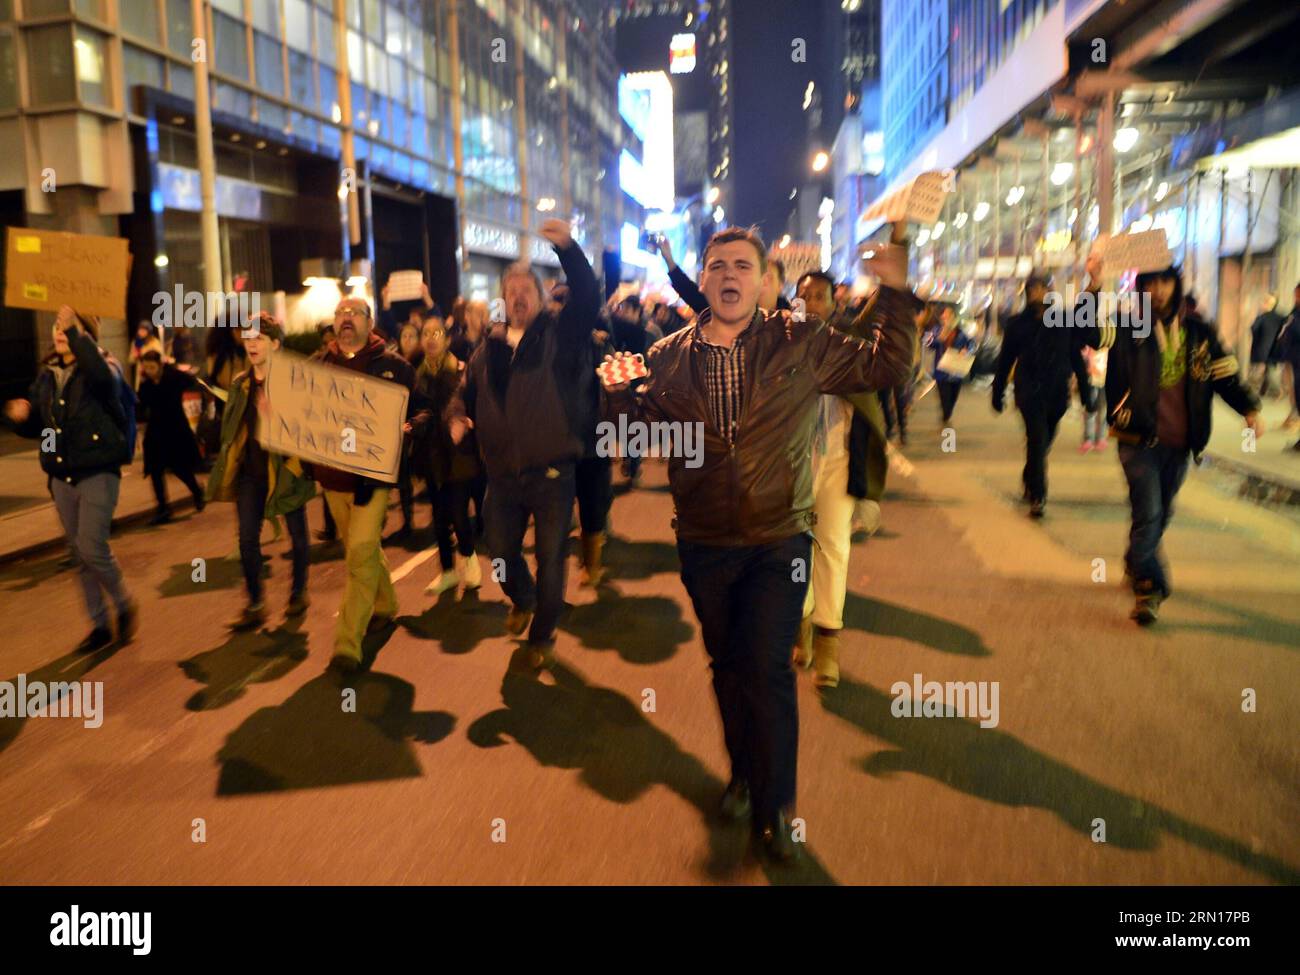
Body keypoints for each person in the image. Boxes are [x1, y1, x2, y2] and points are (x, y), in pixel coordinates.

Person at [600, 224, 917, 862]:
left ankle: (773, 807)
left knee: (769, 670)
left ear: (761, 277)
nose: (729, 275)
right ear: (705, 275)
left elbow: (886, 363)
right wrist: (618, 399)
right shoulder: (666, 357)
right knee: (728, 667)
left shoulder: (800, 340)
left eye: (742, 265)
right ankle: (743, 772)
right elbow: (631, 443)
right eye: (717, 264)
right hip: (704, 541)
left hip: (779, 538)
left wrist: (897, 292)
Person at [448, 218, 601, 670]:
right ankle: (523, 597)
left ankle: (542, 635)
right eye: (510, 291)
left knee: (552, 558)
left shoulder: (562, 334)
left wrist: (568, 249)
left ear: (538, 298)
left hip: (553, 474)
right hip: (502, 478)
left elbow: (588, 297)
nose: (517, 298)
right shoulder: (487, 348)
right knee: (499, 552)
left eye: (525, 291)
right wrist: (456, 415)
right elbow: (462, 393)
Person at [1081, 265, 1261, 623]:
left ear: (1176, 285)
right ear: (1141, 289)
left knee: (1160, 515)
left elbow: (1224, 376)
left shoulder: (1200, 331)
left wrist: (1249, 408)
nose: (1158, 290)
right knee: (1148, 513)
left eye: (1165, 282)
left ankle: (1137, 562)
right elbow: (1088, 330)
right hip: (1137, 438)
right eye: (1150, 284)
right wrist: (1094, 285)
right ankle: (1150, 588)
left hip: (1181, 442)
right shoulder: (1127, 326)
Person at [4, 306, 138, 653]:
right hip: (61, 476)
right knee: (80, 555)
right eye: (57, 326)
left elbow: (104, 383)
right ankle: (99, 625)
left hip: (98, 471)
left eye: (69, 327)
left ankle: (123, 602)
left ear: (86, 334)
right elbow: (42, 428)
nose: (60, 331)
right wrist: (23, 417)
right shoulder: (47, 375)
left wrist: (79, 339)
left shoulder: (105, 365)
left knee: (92, 547)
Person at [789, 270, 894, 688]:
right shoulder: (781, 342)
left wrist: (899, 243)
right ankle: (803, 624)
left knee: (833, 548)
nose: (812, 303)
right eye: (804, 296)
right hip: (792, 465)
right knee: (795, 552)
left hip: (837, 459)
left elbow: (883, 306)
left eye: (820, 296)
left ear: (835, 302)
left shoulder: (850, 339)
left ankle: (829, 645)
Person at [313, 297, 416, 672]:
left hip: (372, 479)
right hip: (333, 478)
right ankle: (386, 604)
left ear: (369, 322)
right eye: (340, 312)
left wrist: (408, 430)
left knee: (358, 552)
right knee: (362, 548)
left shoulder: (394, 368)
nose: (346, 319)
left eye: (354, 313)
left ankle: (347, 643)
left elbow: (419, 411)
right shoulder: (318, 367)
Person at [205, 314, 315, 628]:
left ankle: (298, 592)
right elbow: (230, 432)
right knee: (247, 541)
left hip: (286, 471)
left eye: (259, 339)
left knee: (297, 536)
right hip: (250, 474)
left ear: (276, 344)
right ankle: (255, 603)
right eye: (248, 339)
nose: (251, 345)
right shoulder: (240, 384)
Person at [992, 272, 1090, 518]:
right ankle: (1039, 496)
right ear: (1027, 293)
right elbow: (1005, 360)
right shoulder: (1016, 324)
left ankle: (1029, 475)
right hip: (1028, 391)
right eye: (1032, 289)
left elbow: (1076, 356)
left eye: (1041, 288)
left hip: (1057, 394)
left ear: (1050, 291)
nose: (1037, 293)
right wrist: (998, 391)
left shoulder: (1063, 320)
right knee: (1037, 438)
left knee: (1044, 441)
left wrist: (1086, 392)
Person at [410, 312, 483, 595]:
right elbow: (417, 410)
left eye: (436, 333)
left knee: (458, 513)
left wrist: (467, 421)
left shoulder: (460, 370)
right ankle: (448, 572)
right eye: (425, 333)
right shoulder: (417, 375)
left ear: (447, 338)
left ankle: (471, 561)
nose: (430, 339)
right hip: (431, 456)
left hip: (458, 455)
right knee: (439, 518)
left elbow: (471, 404)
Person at [136, 350, 206, 524]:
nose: (150, 371)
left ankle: (197, 492)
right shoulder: (146, 385)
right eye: (146, 368)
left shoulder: (173, 377)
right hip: (156, 433)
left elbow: (192, 381)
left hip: (175, 430)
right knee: (155, 471)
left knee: (180, 468)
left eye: (152, 367)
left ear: (160, 364)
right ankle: (163, 508)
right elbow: (140, 407)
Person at [924, 302, 975, 425]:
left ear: (953, 317)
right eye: (944, 315)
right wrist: (938, 339)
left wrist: (967, 350)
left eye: (948, 315)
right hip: (941, 370)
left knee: (953, 398)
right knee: (944, 398)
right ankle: (946, 418)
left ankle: (947, 415)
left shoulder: (961, 331)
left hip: (956, 370)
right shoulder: (936, 330)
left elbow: (972, 344)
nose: (945, 317)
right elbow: (928, 344)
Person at [1247, 294, 1284, 398]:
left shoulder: (1262, 317)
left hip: (1261, 349)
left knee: (1257, 373)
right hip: (1275, 349)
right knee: (1270, 371)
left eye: (1266, 301)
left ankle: (1275, 391)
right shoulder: (1281, 317)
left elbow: (1252, 329)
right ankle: (1269, 391)